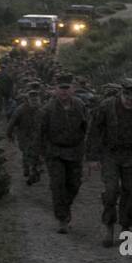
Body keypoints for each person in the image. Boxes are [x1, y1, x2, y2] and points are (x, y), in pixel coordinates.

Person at [87, 77, 132, 247]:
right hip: (110, 154)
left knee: (129, 193)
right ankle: (109, 226)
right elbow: (94, 132)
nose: (130, 102)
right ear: (121, 93)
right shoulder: (106, 107)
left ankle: (125, 227)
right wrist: (92, 157)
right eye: (127, 98)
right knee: (111, 190)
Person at [37, 74, 89, 233]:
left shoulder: (80, 105)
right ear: (55, 90)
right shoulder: (47, 109)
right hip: (55, 152)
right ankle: (62, 218)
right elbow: (40, 132)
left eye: (67, 88)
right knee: (58, 185)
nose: (64, 91)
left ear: (72, 89)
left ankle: (65, 207)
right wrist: (39, 153)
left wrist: (91, 151)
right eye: (61, 88)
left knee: (74, 184)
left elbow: (88, 128)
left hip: (75, 151)